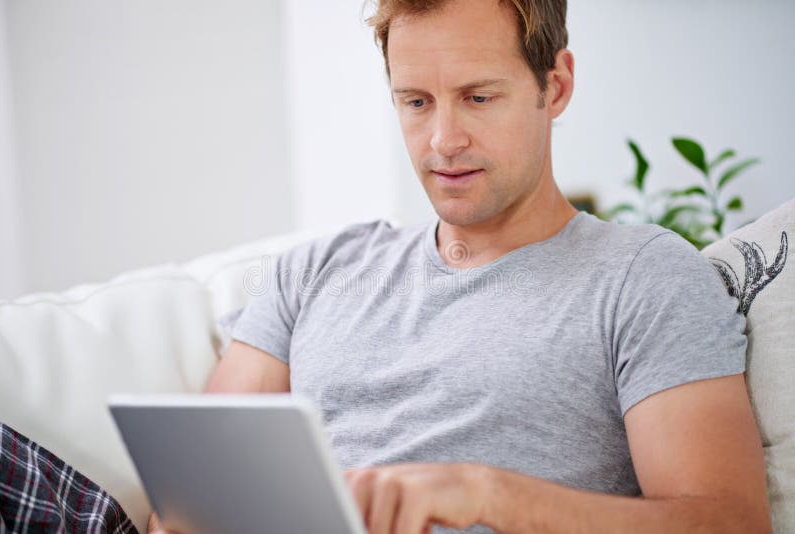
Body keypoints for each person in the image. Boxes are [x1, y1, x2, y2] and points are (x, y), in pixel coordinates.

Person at [150, 0, 772, 532]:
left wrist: (488, 495)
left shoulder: (645, 278)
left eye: (477, 97)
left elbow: (728, 521)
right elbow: (180, 503)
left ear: (554, 87)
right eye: (416, 102)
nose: (443, 140)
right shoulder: (309, 272)